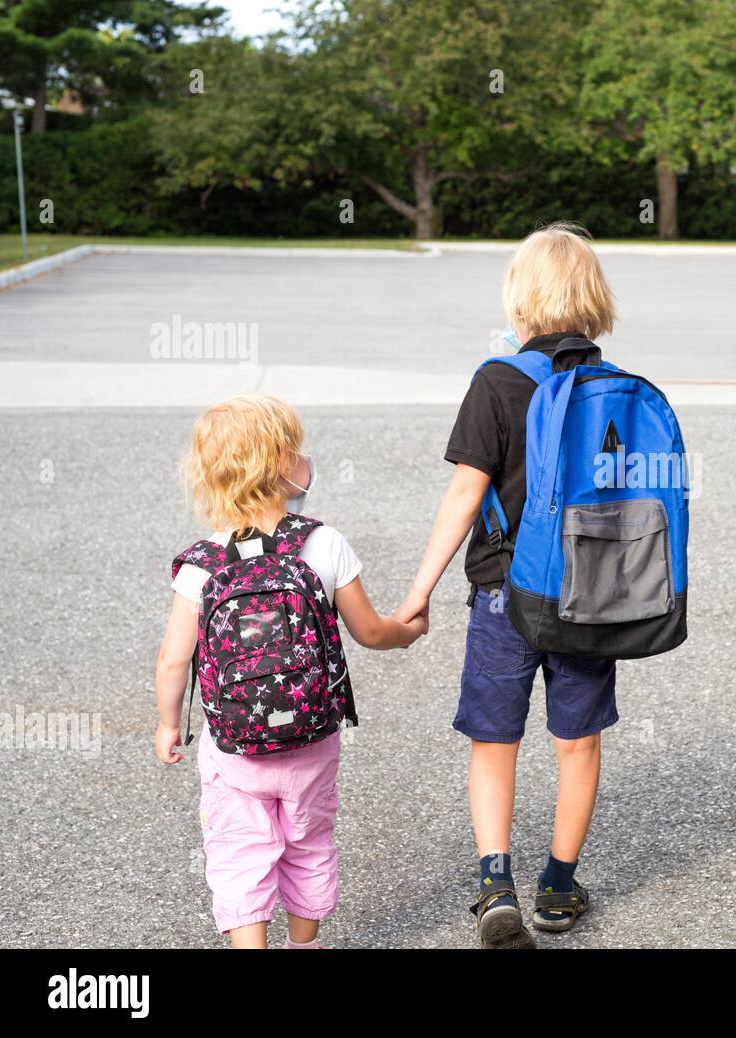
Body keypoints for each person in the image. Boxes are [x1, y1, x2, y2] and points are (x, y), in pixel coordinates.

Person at [396, 222, 619, 948]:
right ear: (593, 298)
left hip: (503, 596)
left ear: (520, 299)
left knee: (495, 742)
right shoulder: (610, 387)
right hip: (591, 597)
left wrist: (419, 590)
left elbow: (465, 496)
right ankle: (558, 888)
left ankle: (497, 883)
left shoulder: (496, 381)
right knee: (576, 742)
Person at [154, 393, 426, 948]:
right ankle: (304, 944)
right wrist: (409, 630)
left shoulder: (201, 563)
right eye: (299, 448)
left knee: (239, 850)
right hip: (311, 738)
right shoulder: (322, 544)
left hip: (234, 749)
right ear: (282, 463)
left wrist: (166, 724)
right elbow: (371, 632)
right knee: (308, 842)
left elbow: (174, 658)